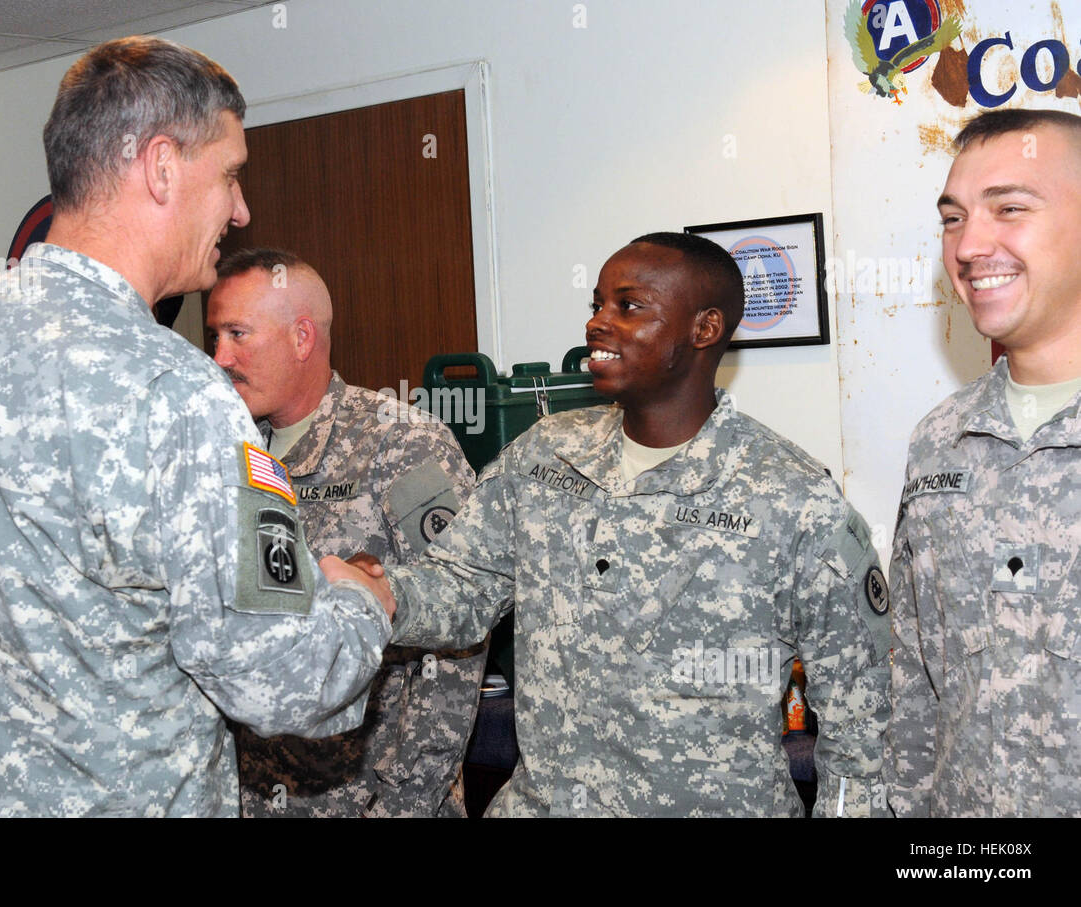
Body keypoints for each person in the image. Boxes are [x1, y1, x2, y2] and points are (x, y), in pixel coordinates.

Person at [0, 36, 394, 818]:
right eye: (228, 173)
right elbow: (282, 677)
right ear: (160, 167)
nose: (241, 207)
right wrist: (360, 603)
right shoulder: (178, 391)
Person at [358, 232, 892, 817]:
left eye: (628, 307)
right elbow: (461, 586)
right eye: (597, 305)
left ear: (704, 329)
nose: (598, 324)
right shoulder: (545, 455)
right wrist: (383, 594)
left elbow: (861, 721)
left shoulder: (791, 496)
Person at [207, 248, 484, 817]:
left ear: (302, 338)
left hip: (367, 799)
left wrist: (403, 803)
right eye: (214, 336)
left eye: (237, 334)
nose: (219, 357)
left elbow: (459, 639)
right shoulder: (223, 452)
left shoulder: (402, 444)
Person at [887, 108, 1081, 817]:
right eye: (953, 218)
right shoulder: (940, 439)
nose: (971, 245)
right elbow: (914, 684)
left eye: (1009, 209)